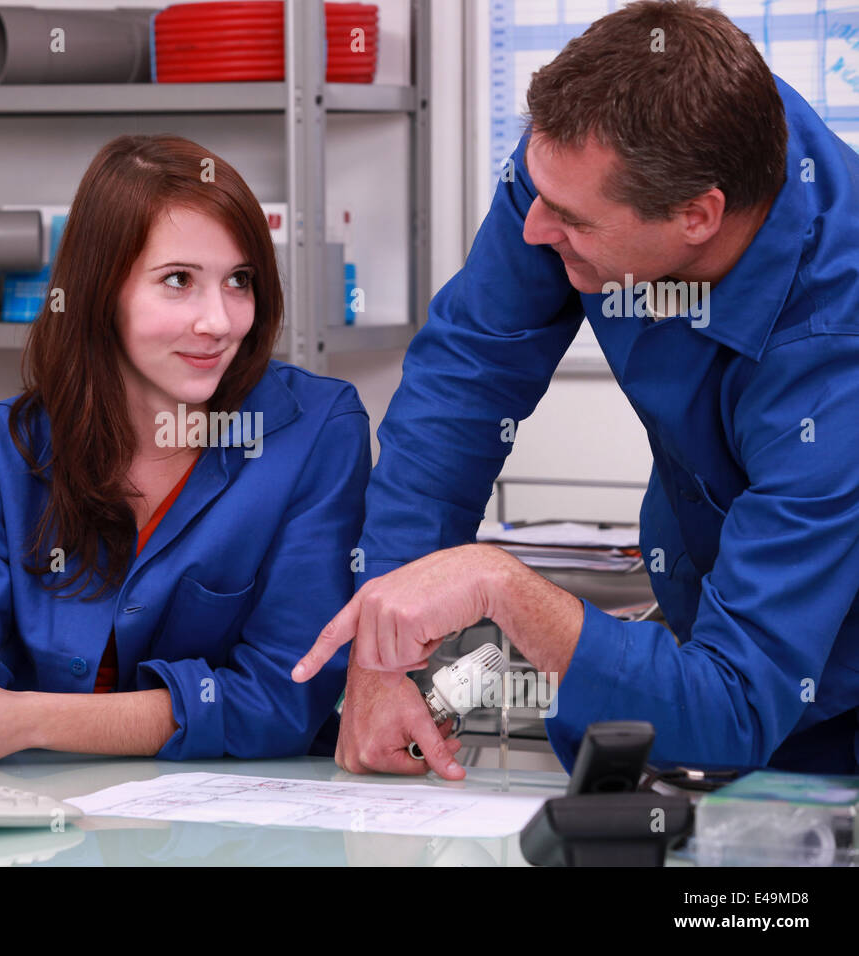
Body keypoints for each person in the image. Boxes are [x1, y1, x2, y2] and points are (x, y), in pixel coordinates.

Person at [293, 0, 859, 779]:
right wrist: (384, 648)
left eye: (567, 218)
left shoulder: (835, 361)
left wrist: (500, 583)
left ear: (698, 216)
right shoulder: (635, 150)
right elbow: (467, 376)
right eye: (532, 191)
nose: (530, 229)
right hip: (706, 645)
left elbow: (736, 704)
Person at [0, 134, 371, 767]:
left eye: (239, 281)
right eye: (178, 281)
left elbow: (281, 698)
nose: (219, 320)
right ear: (102, 294)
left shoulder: (315, 430)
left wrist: (28, 720)